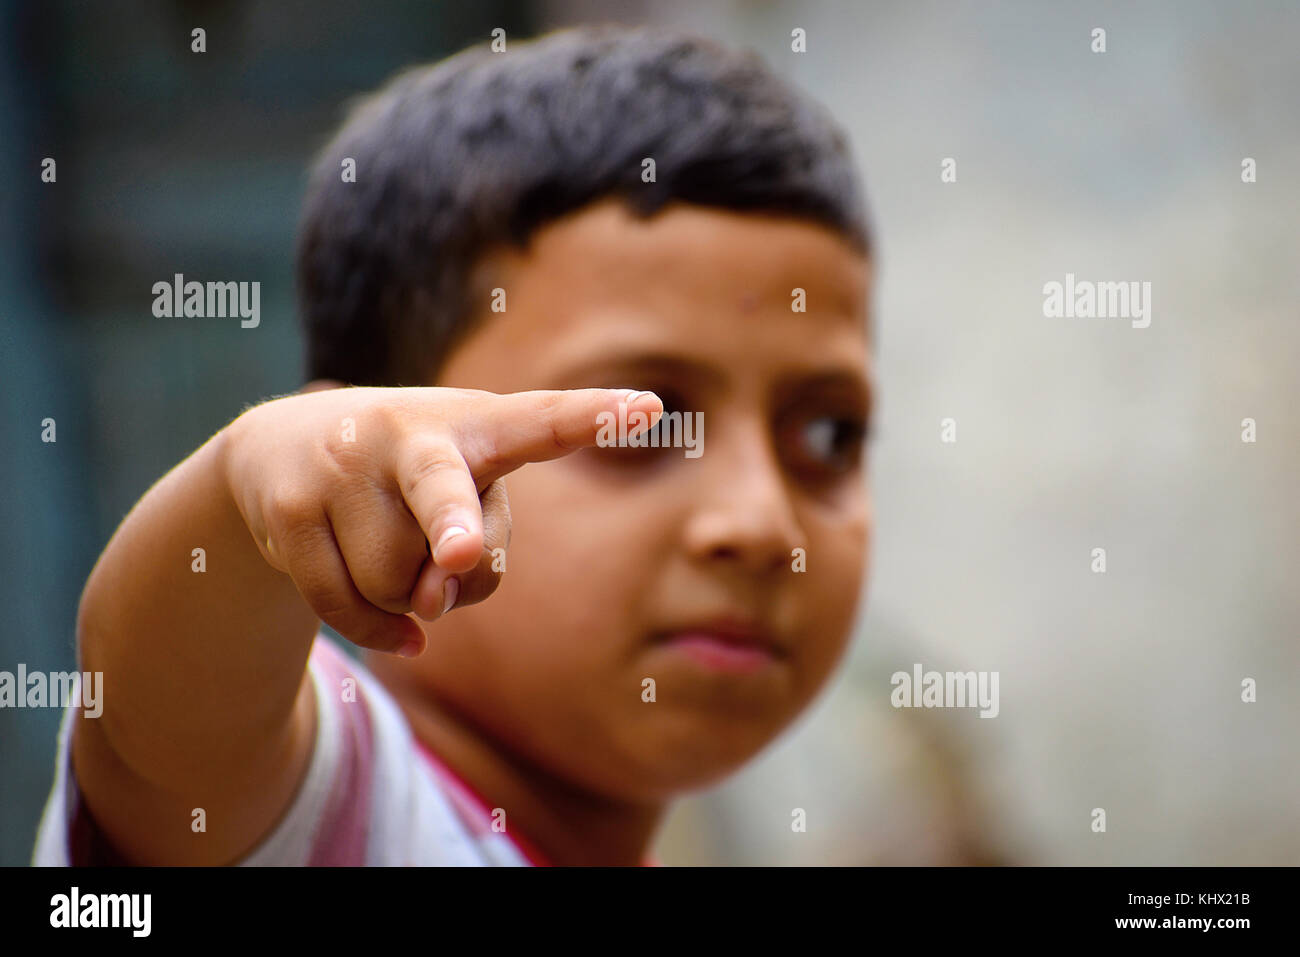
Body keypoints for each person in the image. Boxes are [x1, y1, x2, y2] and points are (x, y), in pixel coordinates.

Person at [33, 23, 876, 866]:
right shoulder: (330, 806)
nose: (762, 522)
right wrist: (248, 486)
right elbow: (158, 718)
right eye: (640, 425)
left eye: (825, 432)